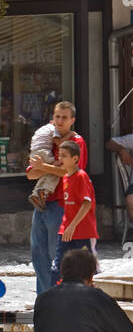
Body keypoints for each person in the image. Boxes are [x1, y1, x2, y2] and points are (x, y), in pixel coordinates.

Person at [26, 101, 88, 298]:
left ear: (72, 120)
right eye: (57, 117)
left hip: (63, 207)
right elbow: (30, 174)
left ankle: (60, 303)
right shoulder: (46, 141)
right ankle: (44, 303)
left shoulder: (76, 142)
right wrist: (45, 167)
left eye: (64, 117)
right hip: (42, 206)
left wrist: (44, 167)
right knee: (39, 258)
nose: (60, 121)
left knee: (58, 260)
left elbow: (68, 171)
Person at [48, 140, 98, 286]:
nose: (60, 159)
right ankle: (56, 299)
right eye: (59, 155)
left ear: (75, 159)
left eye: (64, 156)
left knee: (84, 270)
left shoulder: (81, 176)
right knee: (58, 268)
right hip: (65, 232)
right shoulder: (65, 178)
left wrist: (73, 225)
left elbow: (86, 203)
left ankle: (85, 300)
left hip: (82, 232)